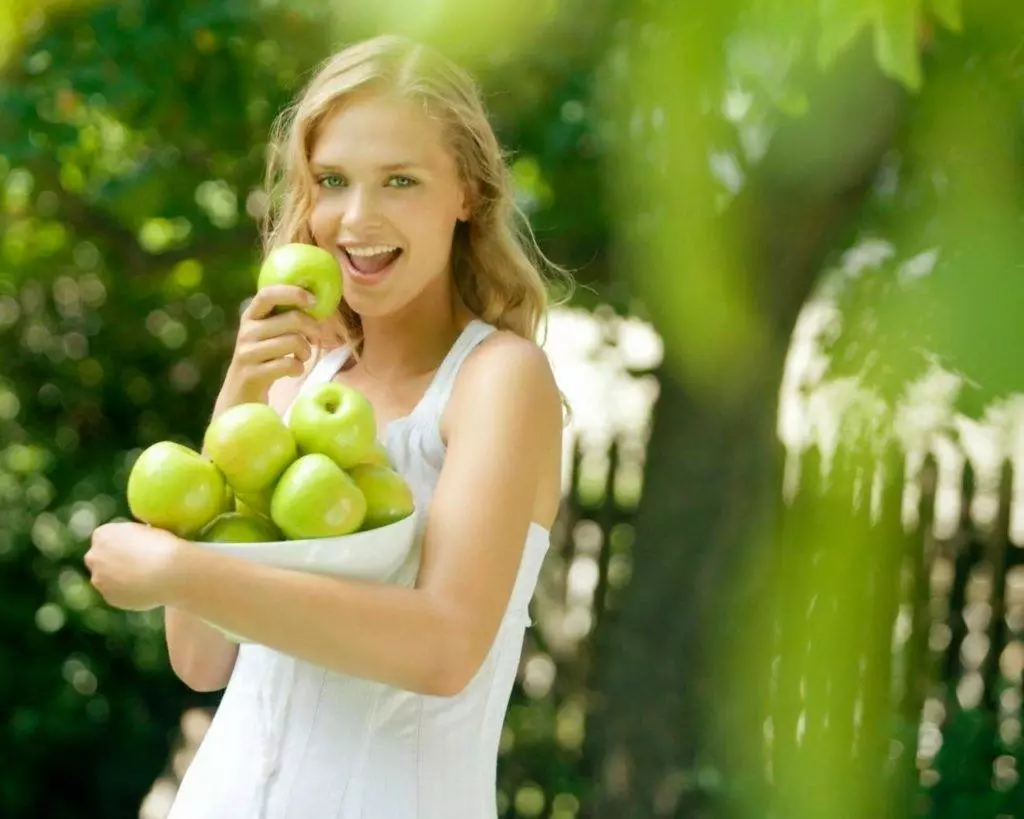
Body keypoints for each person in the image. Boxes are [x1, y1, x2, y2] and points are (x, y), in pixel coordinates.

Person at [84, 34, 567, 818]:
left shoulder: (498, 379)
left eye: (400, 180)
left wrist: (177, 567)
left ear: (466, 193)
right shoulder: (292, 383)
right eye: (332, 180)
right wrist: (240, 391)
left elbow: (442, 646)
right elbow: (201, 657)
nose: (356, 217)